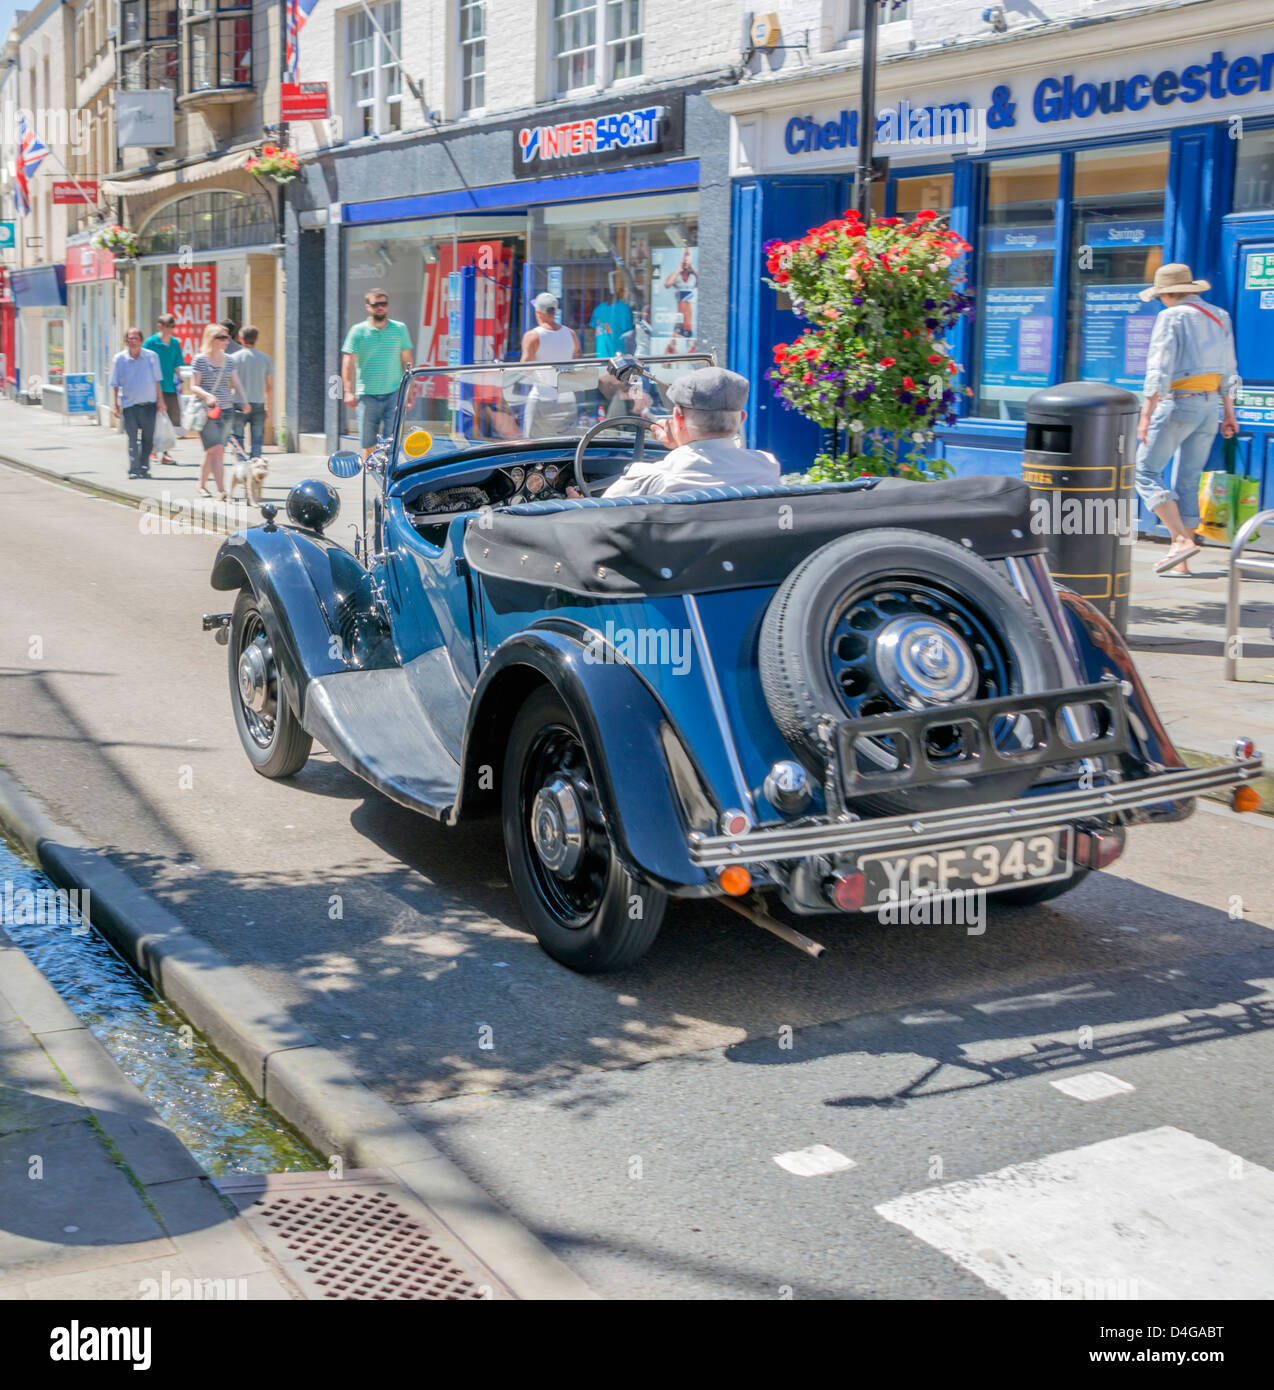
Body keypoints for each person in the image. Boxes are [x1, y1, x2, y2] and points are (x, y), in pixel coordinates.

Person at [1134, 263, 1240, 577]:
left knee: (1144, 470)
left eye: (1160, 296)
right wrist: (1229, 413)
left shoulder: (1171, 316)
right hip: (1210, 408)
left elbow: (1159, 366)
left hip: (1179, 404)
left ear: (1167, 293)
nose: (1159, 302)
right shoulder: (1220, 316)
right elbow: (1229, 369)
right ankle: (1181, 560)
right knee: (1189, 479)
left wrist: (1146, 413)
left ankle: (1180, 539)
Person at [602, 366, 780, 497]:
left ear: (678, 417)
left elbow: (601, 515)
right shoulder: (766, 468)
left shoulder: (648, 479)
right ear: (741, 419)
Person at [341, 288, 414, 458]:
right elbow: (347, 361)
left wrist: (409, 391)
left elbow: (407, 360)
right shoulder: (357, 331)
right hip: (367, 395)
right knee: (368, 444)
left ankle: (388, 479)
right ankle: (371, 479)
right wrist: (348, 391)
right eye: (376, 304)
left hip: (394, 393)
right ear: (368, 307)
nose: (380, 307)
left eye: (383, 304)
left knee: (393, 441)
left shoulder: (399, 329)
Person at [189, 321, 247, 499]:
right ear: (212, 339)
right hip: (208, 412)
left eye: (227, 337)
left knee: (212, 451)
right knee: (217, 450)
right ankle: (222, 490)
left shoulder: (229, 360)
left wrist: (244, 400)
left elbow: (236, 382)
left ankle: (201, 486)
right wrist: (207, 396)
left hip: (226, 410)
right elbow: (193, 386)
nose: (226, 340)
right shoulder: (200, 360)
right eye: (222, 337)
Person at [520, 291, 580, 438]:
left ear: (538, 312)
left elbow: (525, 370)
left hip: (542, 397)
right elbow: (576, 363)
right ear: (555, 311)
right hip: (567, 397)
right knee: (566, 447)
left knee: (532, 448)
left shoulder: (533, 336)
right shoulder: (571, 334)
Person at [109, 327, 164, 479]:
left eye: (136, 338)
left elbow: (157, 381)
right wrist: (115, 404)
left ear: (141, 341)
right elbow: (114, 383)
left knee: (148, 438)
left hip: (149, 404)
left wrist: (160, 401)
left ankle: (144, 468)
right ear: (126, 341)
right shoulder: (119, 359)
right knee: (132, 438)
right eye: (130, 338)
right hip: (129, 405)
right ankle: (134, 469)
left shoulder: (152, 357)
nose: (133, 341)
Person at [143, 313, 184, 465]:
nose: (170, 329)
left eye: (172, 326)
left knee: (170, 421)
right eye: (167, 326)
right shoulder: (150, 342)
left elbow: (177, 364)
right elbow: (142, 362)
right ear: (160, 326)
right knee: (154, 421)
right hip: (153, 387)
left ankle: (165, 452)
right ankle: (152, 450)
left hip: (169, 387)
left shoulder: (174, 343)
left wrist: (181, 380)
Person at [230, 325, 273, 458]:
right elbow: (270, 386)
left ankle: (242, 466)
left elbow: (229, 384)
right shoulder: (265, 358)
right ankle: (256, 468)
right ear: (257, 339)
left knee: (238, 438)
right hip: (259, 403)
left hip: (238, 402)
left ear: (240, 339)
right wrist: (268, 407)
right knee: (257, 441)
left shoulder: (233, 358)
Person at [589, 274, 634, 359]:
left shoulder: (624, 309)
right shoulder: (598, 309)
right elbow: (593, 331)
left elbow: (628, 335)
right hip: (600, 355)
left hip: (618, 356)